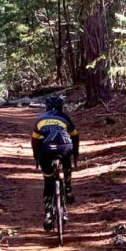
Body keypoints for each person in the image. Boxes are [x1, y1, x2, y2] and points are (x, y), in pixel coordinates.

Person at [31, 94, 80, 230]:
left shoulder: (40, 119)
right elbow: (75, 137)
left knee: (48, 181)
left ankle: (47, 214)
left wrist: (36, 157)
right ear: (61, 106)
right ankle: (68, 190)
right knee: (67, 163)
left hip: (46, 150)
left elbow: (35, 141)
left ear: (46, 107)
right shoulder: (64, 117)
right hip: (65, 147)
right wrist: (75, 154)